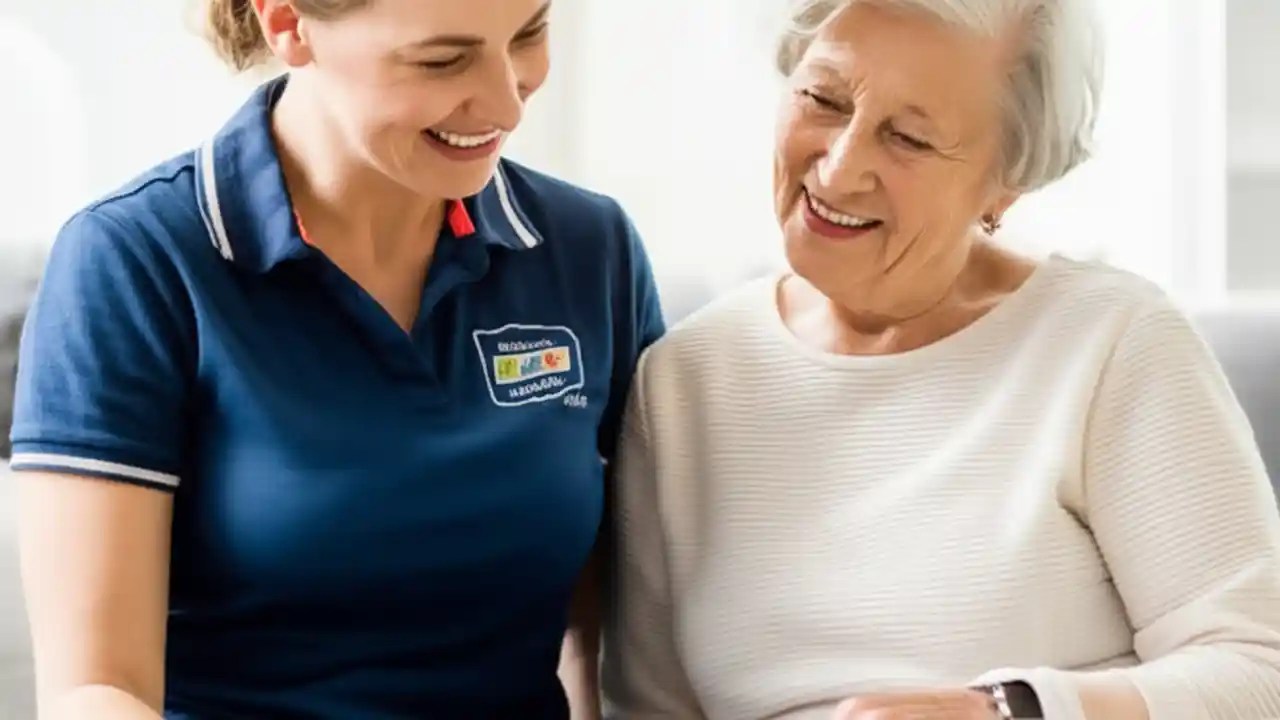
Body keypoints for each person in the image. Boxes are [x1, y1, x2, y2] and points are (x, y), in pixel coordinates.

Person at [601, 1, 1280, 718]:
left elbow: (1259, 671)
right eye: (823, 99)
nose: (838, 168)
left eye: (910, 140)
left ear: (1005, 183)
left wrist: (1005, 710)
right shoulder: (681, 382)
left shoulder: (1109, 344)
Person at [11, 0, 663, 718]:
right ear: (288, 24)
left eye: (530, 33)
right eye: (443, 60)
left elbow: (624, 611)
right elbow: (94, 689)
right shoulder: (135, 261)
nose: (509, 101)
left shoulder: (587, 247)